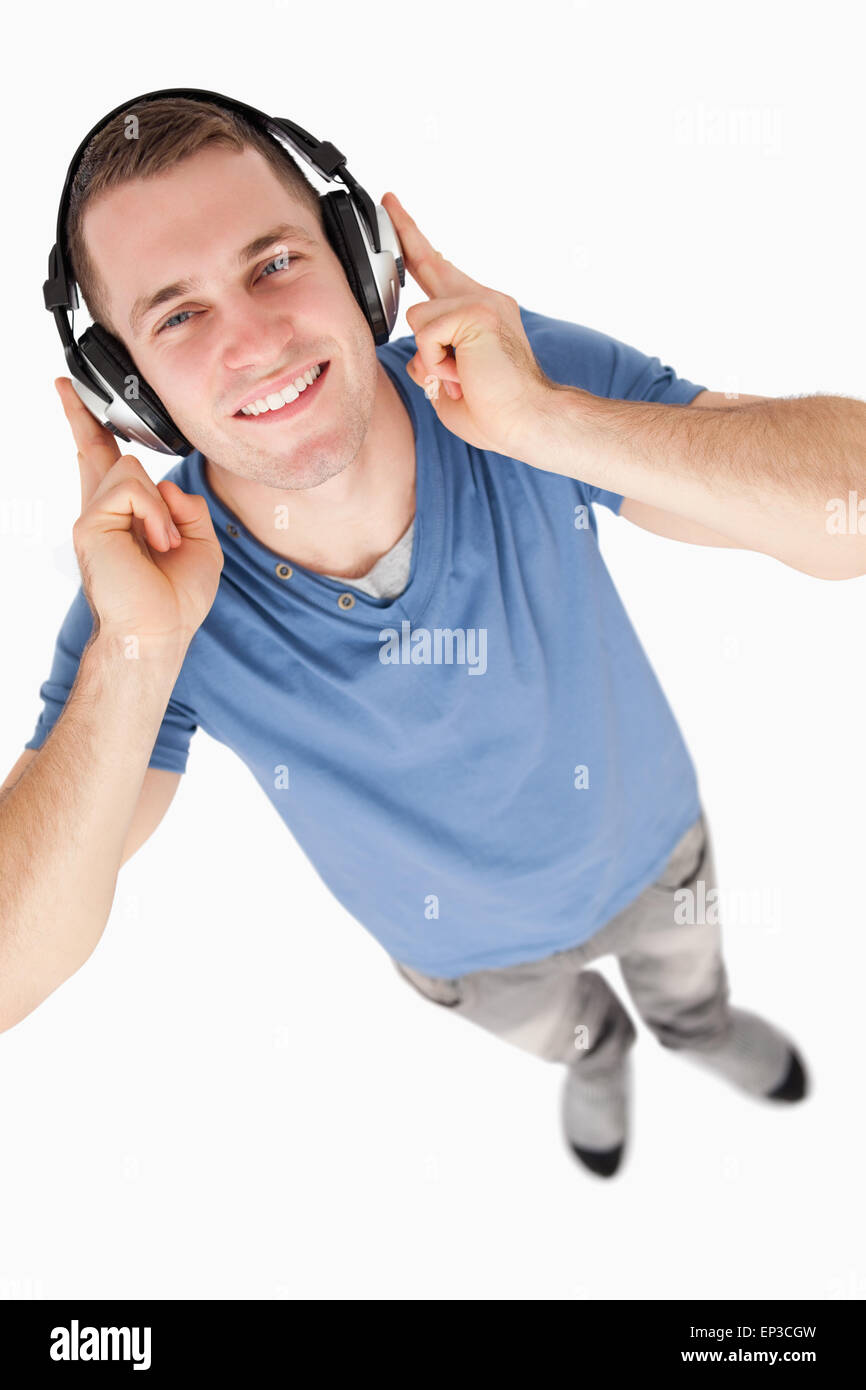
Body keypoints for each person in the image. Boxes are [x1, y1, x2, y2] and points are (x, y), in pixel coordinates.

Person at [4, 97, 862, 1179]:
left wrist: (550, 423)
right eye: (175, 317)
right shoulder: (146, 598)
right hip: (465, 956)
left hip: (655, 852)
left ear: (359, 262)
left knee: (690, 991)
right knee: (571, 1035)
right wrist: (134, 649)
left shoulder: (507, 377)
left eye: (272, 264)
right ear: (128, 390)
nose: (253, 341)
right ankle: (596, 1058)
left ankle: (692, 1033)